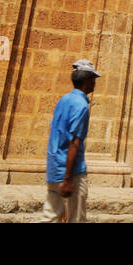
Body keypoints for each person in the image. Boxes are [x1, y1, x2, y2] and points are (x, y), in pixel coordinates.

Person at [39, 59, 99, 223]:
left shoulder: (63, 100)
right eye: (93, 79)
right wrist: (67, 179)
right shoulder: (81, 106)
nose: (94, 83)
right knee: (76, 218)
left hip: (54, 167)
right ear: (87, 80)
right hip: (72, 172)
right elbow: (74, 143)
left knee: (50, 217)